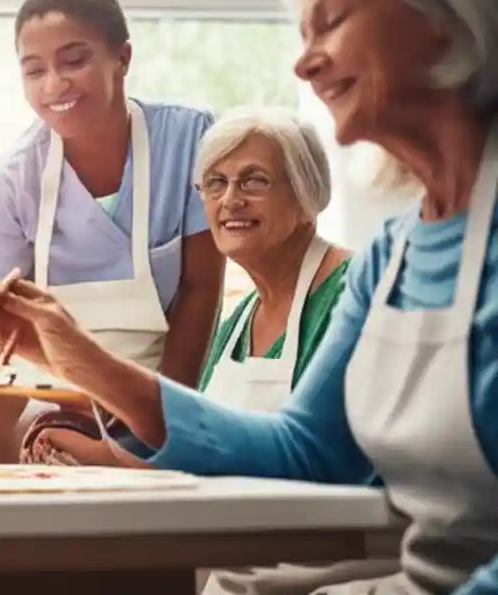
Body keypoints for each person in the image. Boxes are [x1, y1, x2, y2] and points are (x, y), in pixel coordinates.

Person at [0, 0, 498, 593]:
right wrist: (80, 358)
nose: (305, 65)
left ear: (445, 20)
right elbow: (303, 450)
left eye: (333, 22)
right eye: (214, 184)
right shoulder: (394, 257)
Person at [0, 0, 225, 461]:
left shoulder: (190, 138)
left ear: (122, 58)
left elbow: (201, 288)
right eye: (33, 70)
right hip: (52, 412)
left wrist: (164, 425)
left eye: (74, 60)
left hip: (166, 397)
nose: (53, 85)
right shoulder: (12, 181)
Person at [24, 110, 352, 466]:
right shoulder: (239, 322)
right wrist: (91, 454)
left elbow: (309, 458)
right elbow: (201, 454)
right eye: (215, 183)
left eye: (254, 181)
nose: (230, 200)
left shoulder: (349, 293)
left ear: (307, 195)